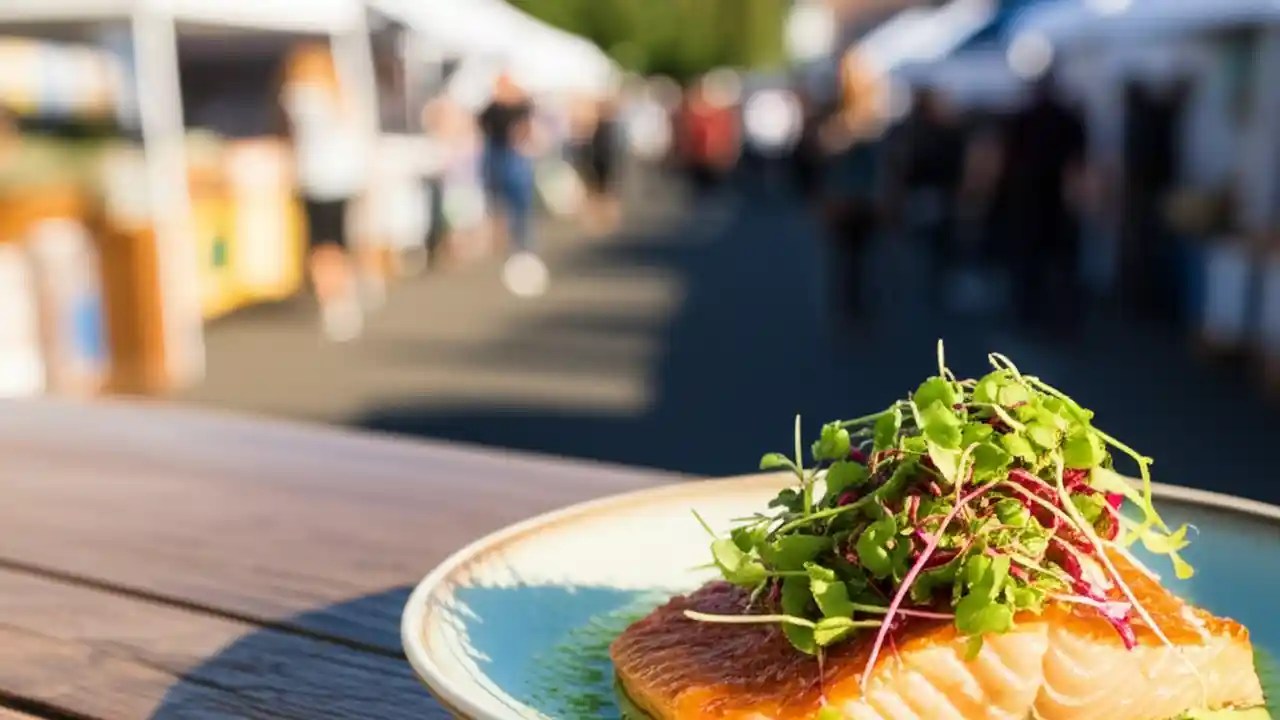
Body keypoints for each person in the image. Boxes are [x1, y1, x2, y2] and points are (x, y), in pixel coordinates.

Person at [281, 44, 368, 342]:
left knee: (321, 244)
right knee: (337, 242)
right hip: (341, 177)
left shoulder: (298, 95)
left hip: (314, 178)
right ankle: (341, 297)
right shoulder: (338, 93)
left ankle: (332, 299)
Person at [1002, 73, 1088, 333]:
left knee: (1034, 262)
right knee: (1056, 264)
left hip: (1033, 200)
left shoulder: (1024, 120)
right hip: (1049, 201)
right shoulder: (1064, 120)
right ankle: (1055, 316)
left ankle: (1033, 313)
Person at [478, 71, 547, 298]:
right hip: (498, 156)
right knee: (498, 201)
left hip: (513, 158)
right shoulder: (491, 108)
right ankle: (505, 241)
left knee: (520, 205)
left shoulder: (521, 105)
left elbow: (526, 129)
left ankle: (523, 246)